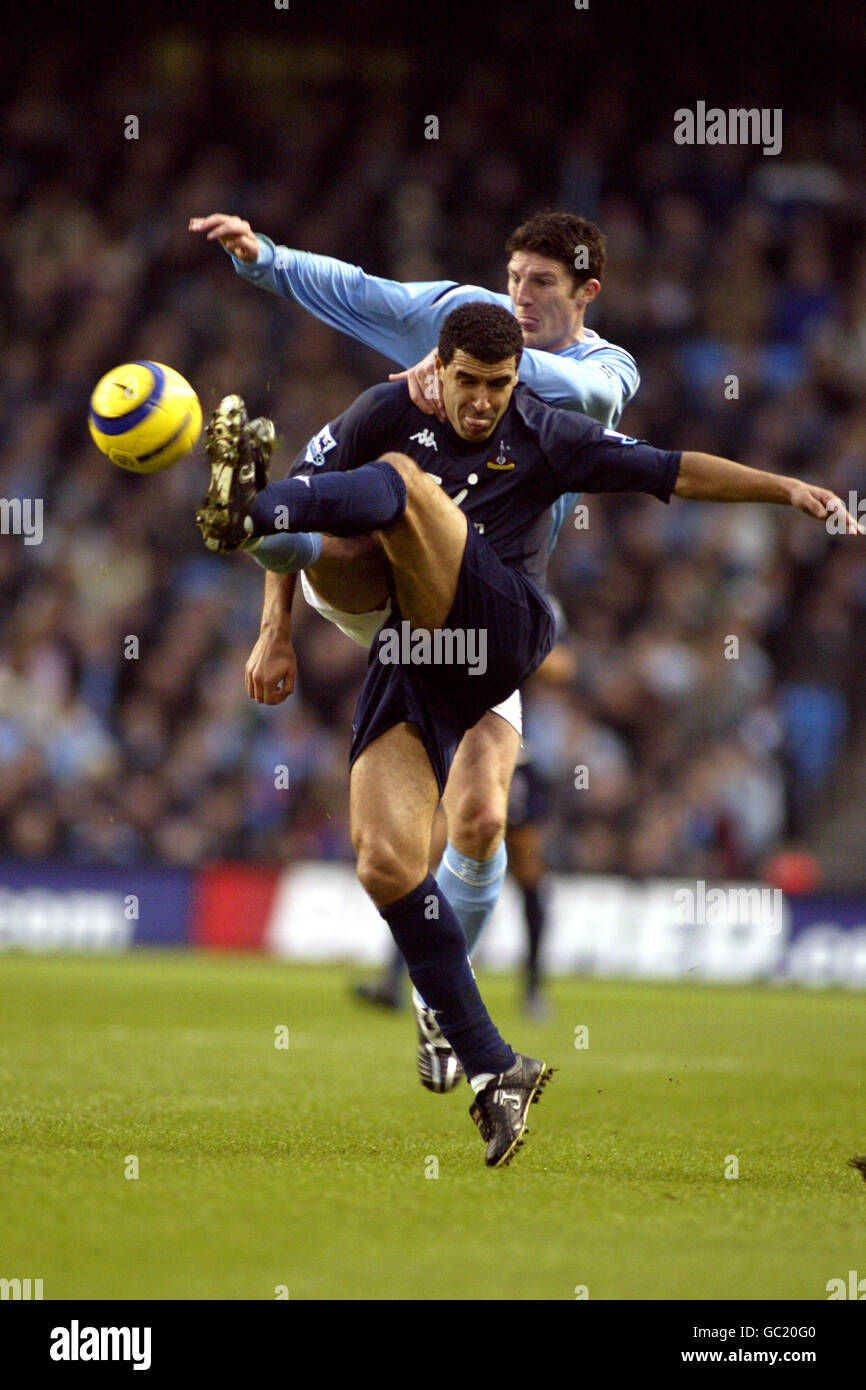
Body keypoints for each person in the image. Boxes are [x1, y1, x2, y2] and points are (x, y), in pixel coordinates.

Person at [195, 301, 860, 1165]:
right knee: (386, 860)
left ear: (515, 380)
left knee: (398, 485)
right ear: (437, 366)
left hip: (504, 626)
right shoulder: (386, 406)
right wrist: (274, 629)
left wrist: (788, 490)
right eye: (466, 383)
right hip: (415, 650)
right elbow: (330, 485)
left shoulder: (547, 434)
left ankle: (251, 518)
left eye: (496, 386)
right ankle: (492, 1066)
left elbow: (675, 472)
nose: (480, 402)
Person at [190, 208, 637, 1090]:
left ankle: (444, 1005)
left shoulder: (602, 369)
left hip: (482, 614)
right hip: (384, 581)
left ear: (586, 292)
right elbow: (362, 294)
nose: (519, 296)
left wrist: (453, 363)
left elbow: (582, 400)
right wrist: (268, 258)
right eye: (512, 278)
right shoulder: (463, 320)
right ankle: (255, 515)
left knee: (478, 818)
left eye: (542, 284)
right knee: (352, 503)